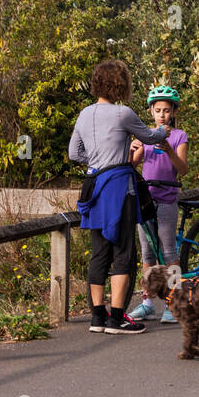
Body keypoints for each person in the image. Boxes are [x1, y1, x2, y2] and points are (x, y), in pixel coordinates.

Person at [68, 59, 172, 334]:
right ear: (121, 85)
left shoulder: (83, 114)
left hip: (92, 186)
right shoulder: (122, 113)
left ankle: (97, 317)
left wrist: (98, 158)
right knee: (124, 251)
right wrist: (165, 131)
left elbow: (74, 154)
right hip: (118, 188)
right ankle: (117, 317)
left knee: (99, 251)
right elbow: (149, 137)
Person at [127, 85, 189, 325]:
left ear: (173, 111)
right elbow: (131, 167)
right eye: (158, 110)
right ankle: (147, 302)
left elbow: (182, 169)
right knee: (147, 253)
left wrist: (168, 150)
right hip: (146, 198)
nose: (162, 114)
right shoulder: (145, 135)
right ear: (151, 112)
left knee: (169, 252)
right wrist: (131, 152)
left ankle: (173, 303)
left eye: (166, 110)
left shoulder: (178, 136)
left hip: (166, 198)